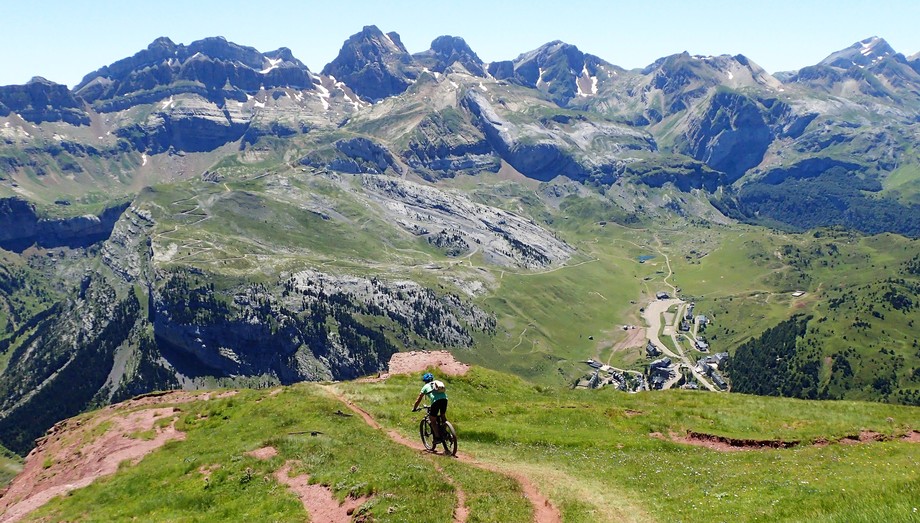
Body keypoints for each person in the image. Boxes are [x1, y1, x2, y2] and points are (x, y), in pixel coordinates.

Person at [412, 372, 448, 446]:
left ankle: (437, 438)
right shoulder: (437, 383)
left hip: (436, 402)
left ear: (425, 381)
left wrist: (414, 408)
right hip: (445, 400)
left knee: (432, 420)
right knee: (443, 415)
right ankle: (446, 432)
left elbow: (418, 399)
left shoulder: (425, 386)